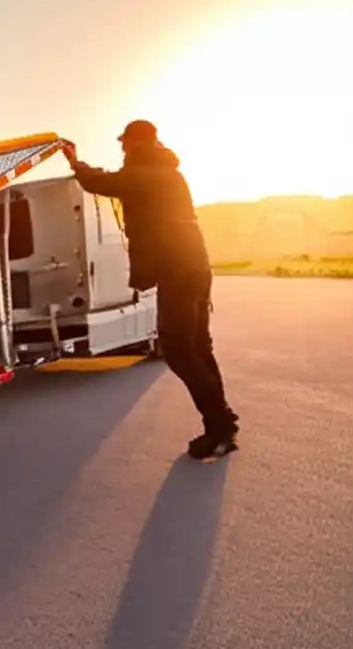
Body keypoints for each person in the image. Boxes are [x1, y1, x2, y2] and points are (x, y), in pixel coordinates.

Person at [63, 120, 239, 459]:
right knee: (199, 349)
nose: (123, 149)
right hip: (196, 267)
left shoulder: (146, 173)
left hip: (179, 271)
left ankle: (219, 426)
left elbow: (103, 182)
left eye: (124, 143)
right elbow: (119, 180)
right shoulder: (164, 171)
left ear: (135, 142)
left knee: (178, 350)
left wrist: (75, 162)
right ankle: (223, 425)